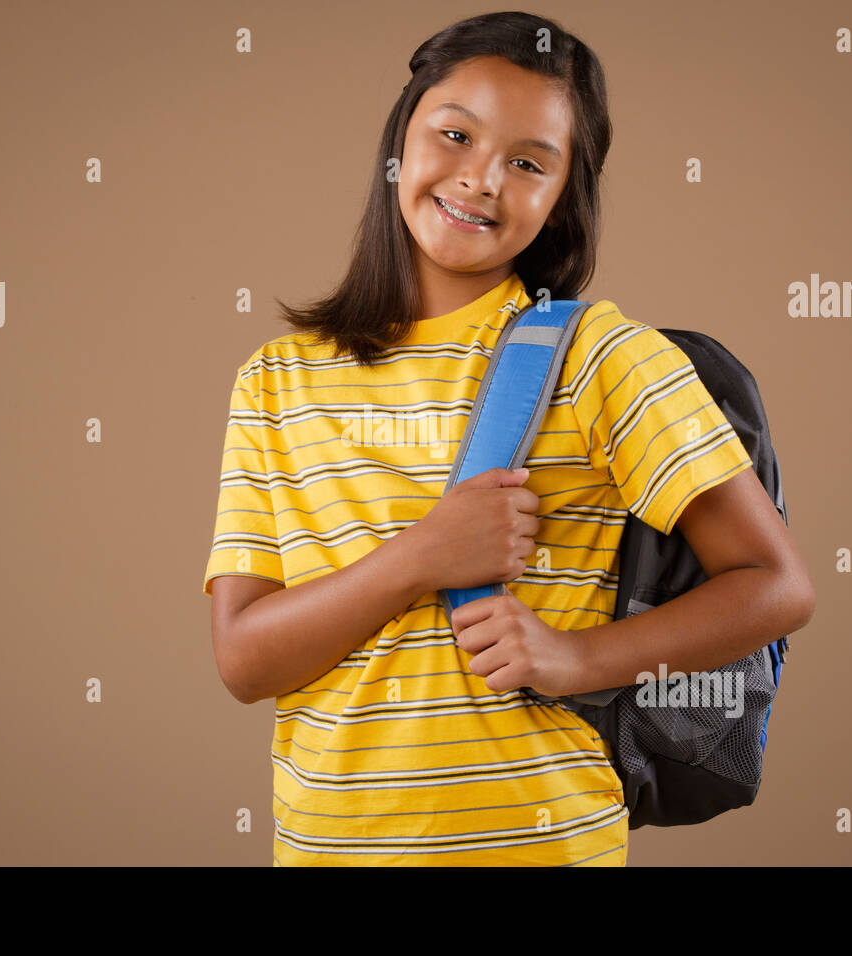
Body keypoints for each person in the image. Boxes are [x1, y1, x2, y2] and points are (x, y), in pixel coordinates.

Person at [202, 11, 815, 866]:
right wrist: (422, 556)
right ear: (401, 140)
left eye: (528, 163)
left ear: (564, 197)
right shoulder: (277, 380)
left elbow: (777, 585)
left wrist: (577, 656)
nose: (481, 179)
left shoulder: (602, 357)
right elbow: (244, 661)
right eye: (454, 134)